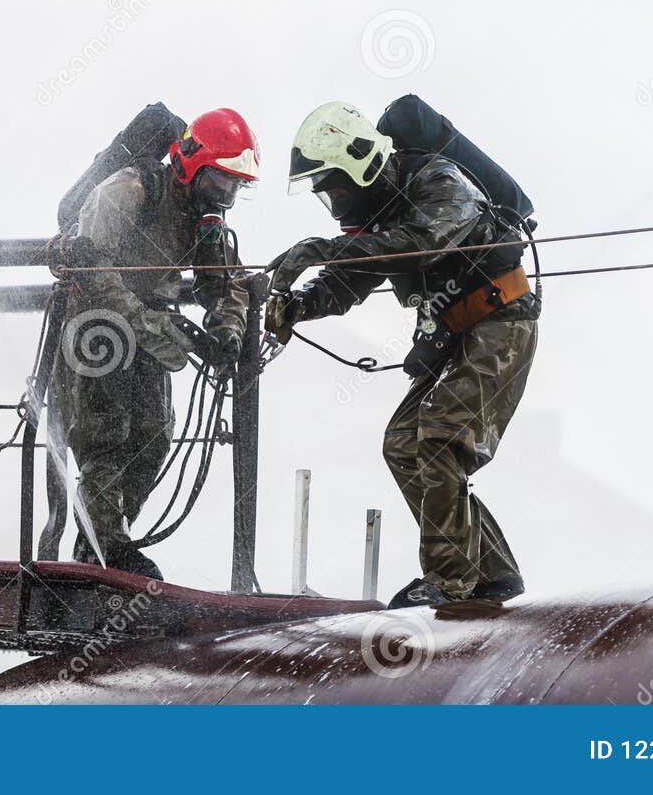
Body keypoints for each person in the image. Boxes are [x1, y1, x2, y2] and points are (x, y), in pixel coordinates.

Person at [265, 101, 538, 608]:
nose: (336, 202)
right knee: (402, 442)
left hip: (501, 323)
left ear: (361, 166)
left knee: (439, 438)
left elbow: (423, 243)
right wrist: (300, 305)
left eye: (336, 187)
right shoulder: (379, 217)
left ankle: (450, 580)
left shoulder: (439, 179)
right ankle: (493, 572)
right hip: (459, 335)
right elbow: (348, 281)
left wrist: (321, 250)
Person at [48, 107, 258, 580]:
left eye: (233, 188)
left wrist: (228, 329)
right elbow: (88, 266)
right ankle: (109, 549)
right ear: (190, 163)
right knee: (106, 436)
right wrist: (146, 321)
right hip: (97, 323)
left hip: (149, 332)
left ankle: (99, 542)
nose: (223, 197)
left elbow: (229, 285)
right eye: (218, 182)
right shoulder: (132, 188)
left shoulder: (205, 222)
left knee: (154, 437)